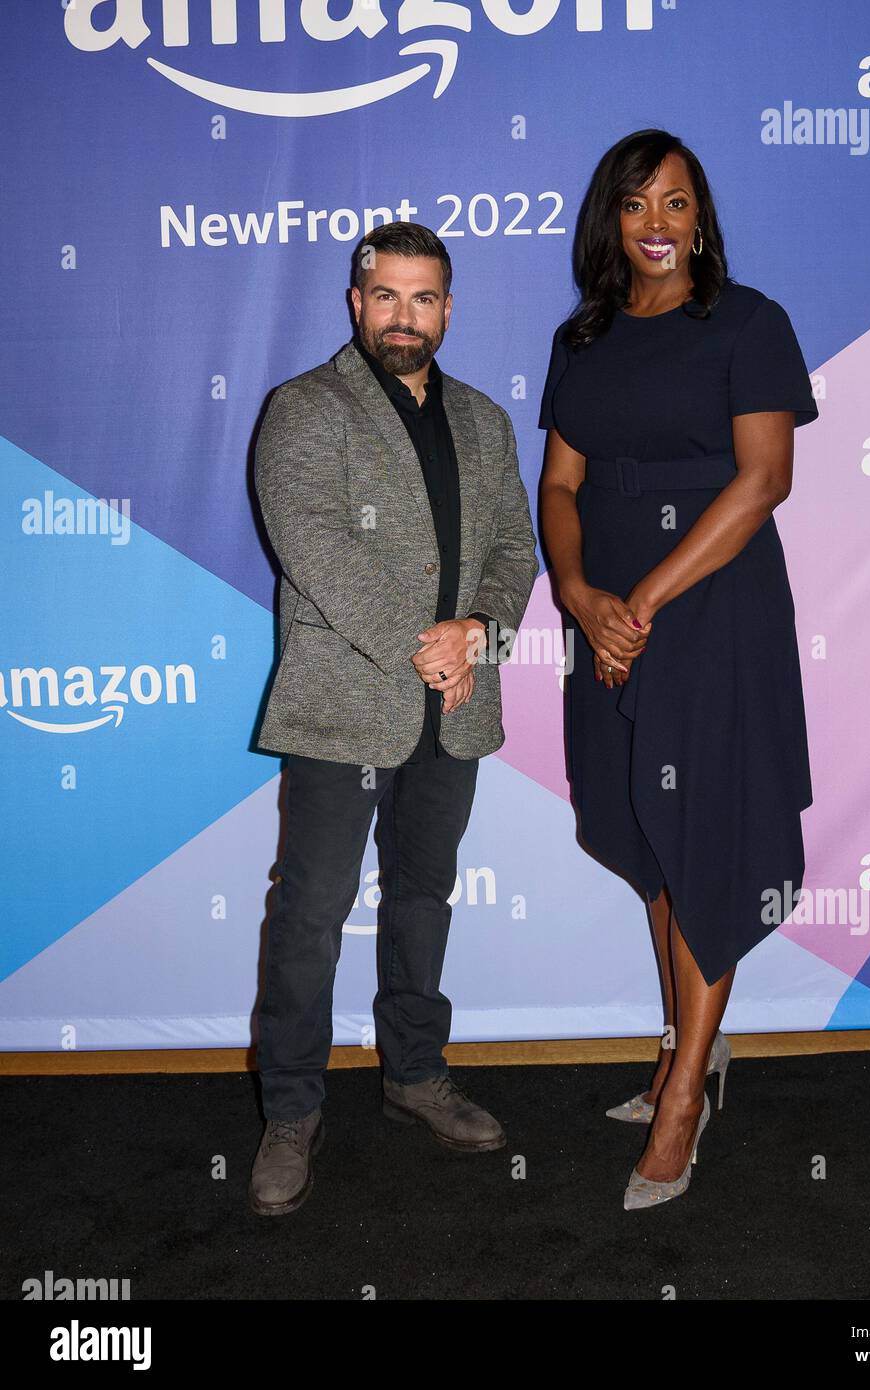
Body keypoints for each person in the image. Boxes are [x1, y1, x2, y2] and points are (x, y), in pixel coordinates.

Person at [538, 129, 819, 1210]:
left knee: (704, 831)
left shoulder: (747, 324)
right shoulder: (585, 337)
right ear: (609, 221)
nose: (654, 224)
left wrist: (641, 603)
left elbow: (760, 484)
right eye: (633, 205)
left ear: (700, 216)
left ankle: (681, 1101)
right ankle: (684, 1046)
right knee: (649, 830)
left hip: (708, 610)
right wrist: (578, 596)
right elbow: (559, 486)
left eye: (674, 203)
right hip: (602, 607)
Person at [250, 221, 538, 1216]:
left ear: (447, 310)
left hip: (451, 712)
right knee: (310, 913)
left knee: (422, 896)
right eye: (386, 296)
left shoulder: (484, 421)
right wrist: (425, 640)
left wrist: (479, 632)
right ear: (354, 301)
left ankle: (415, 1076)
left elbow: (513, 547)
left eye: (423, 299)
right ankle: (290, 1110)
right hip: (342, 707)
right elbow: (311, 546)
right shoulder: (304, 407)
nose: (403, 316)